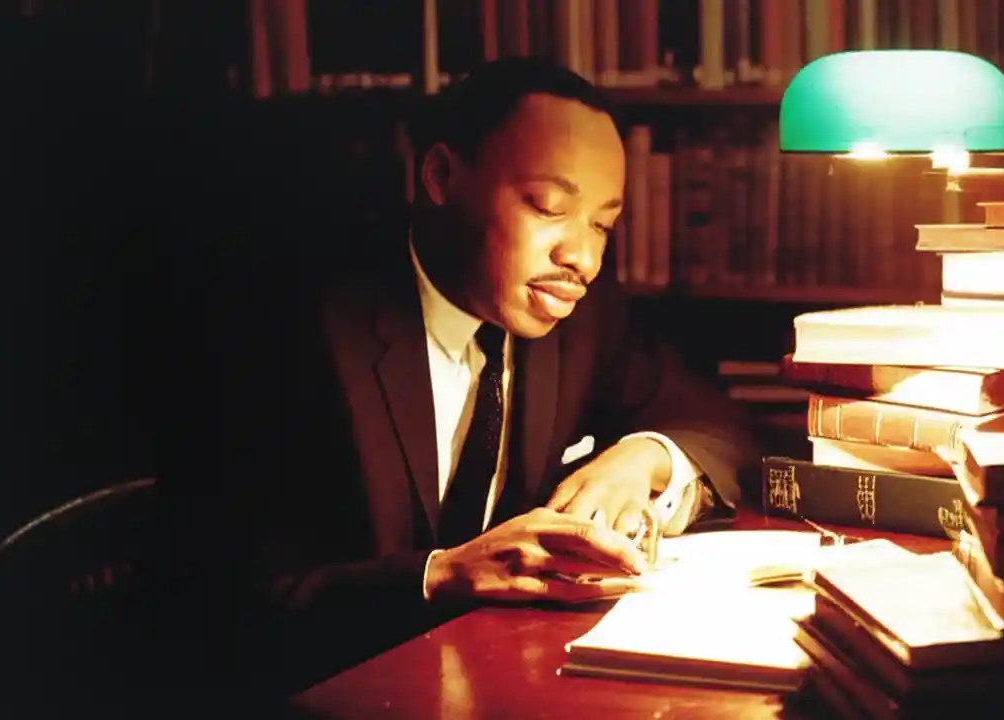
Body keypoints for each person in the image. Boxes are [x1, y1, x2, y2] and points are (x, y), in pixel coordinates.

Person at [161, 57, 756, 705]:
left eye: (602, 225)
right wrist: (438, 576)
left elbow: (723, 430)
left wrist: (643, 460)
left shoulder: (583, 317)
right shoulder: (299, 322)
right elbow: (224, 604)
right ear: (442, 176)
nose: (582, 258)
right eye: (547, 207)